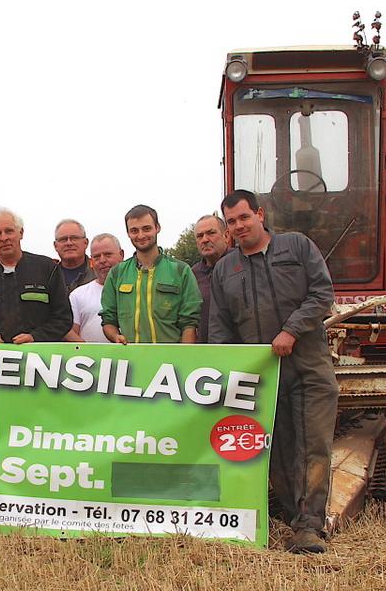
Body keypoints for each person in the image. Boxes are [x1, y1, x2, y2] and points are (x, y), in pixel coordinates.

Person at [209, 189, 338, 555]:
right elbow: (220, 329)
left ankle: (310, 526)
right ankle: (290, 514)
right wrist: (227, 370)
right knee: (275, 450)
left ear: (260, 214)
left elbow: (322, 293)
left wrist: (291, 329)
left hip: (309, 364)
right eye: (231, 222)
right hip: (263, 376)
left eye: (244, 217)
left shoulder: (296, 248)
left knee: (314, 446)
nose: (239, 226)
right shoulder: (225, 270)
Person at [0, 209, 72, 343]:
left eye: (9, 231)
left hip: (39, 359)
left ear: (21, 233)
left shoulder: (47, 269)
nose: (4, 238)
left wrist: (35, 337)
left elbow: (63, 318)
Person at [101, 205, 201, 344]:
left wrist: (183, 358)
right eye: (134, 230)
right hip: (131, 359)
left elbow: (189, 323)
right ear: (128, 233)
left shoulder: (181, 271)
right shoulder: (117, 273)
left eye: (146, 229)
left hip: (169, 359)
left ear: (157, 228)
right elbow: (108, 319)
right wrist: (115, 336)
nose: (141, 235)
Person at [65, 234, 124, 343]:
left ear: (121, 255)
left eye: (108, 254)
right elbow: (70, 332)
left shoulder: (138, 290)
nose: (102, 260)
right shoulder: (77, 294)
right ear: (91, 262)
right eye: (97, 257)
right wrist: (90, 353)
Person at [190, 214, 232, 343]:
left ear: (226, 236)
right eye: (200, 236)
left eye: (211, 233)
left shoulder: (243, 264)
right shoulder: (192, 275)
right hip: (205, 354)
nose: (205, 239)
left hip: (242, 353)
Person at [53, 219, 94, 290]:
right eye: (63, 239)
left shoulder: (99, 271)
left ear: (86, 243)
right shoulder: (49, 274)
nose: (69, 243)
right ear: (55, 246)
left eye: (74, 238)